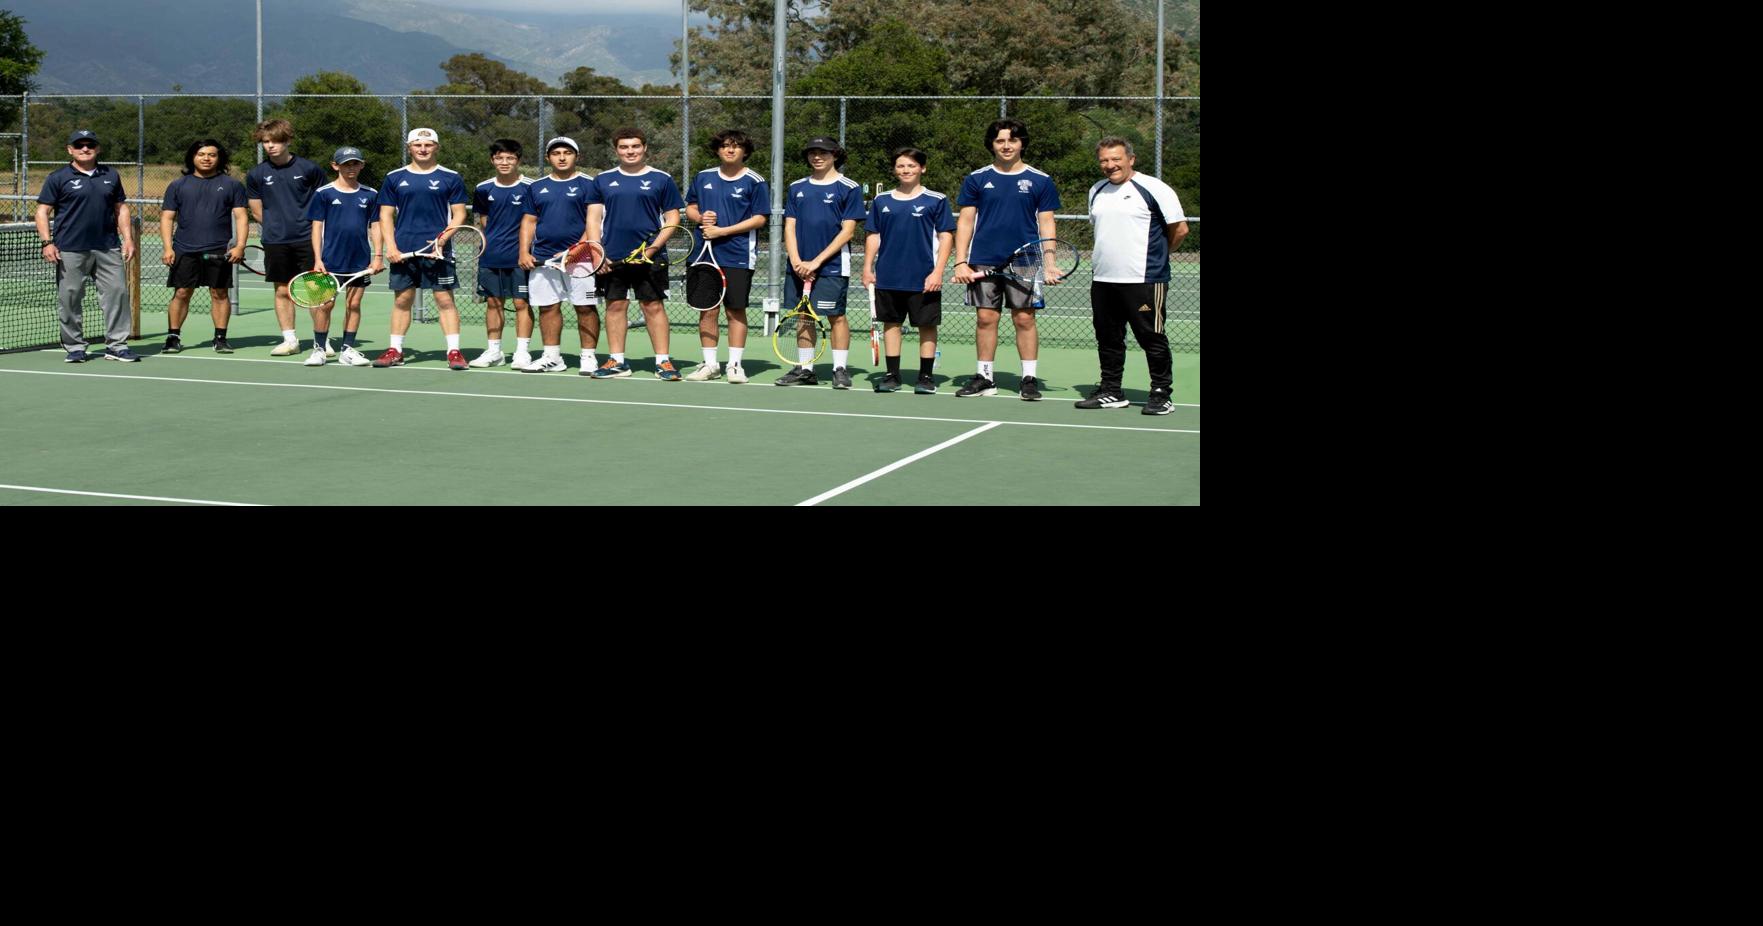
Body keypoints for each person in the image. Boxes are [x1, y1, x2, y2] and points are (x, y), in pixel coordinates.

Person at [951, 118, 1062, 400]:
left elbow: (1047, 223)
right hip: (984, 259)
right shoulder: (976, 178)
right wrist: (960, 261)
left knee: (1024, 318)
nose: (1006, 145)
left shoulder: (1041, 180)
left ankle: (1029, 378)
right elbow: (965, 222)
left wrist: (1049, 262)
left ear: (1022, 143)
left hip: (1025, 260)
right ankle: (985, 377)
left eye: (1012, 140)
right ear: (992, 144)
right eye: (1000, 141)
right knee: (986, 318)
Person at [1082, 137, 1189, 415]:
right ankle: (1111, 390)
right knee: (1108, 337)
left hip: (1145, 279)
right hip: (1104, 279)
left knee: (1151, 336)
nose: (1110, 165)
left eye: (1116, 159)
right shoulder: (1097, 190)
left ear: (1131, 159)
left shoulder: (1154, 188)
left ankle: (1161, 393)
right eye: (1104, 160)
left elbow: (1179, 230)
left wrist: (1157, 258)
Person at [584, 127, 685, 380]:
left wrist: (652, 249)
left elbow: (672, 218)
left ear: (645, 148)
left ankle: (663, 362)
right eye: (624, 147)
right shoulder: (602, 180)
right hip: (611, 257)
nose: (630, 151)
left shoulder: (662, 179)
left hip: (651, 257)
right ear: (616, 150)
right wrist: (597, 252)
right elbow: (593, 219)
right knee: (615, 306)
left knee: (653, 306)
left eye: (635, 146)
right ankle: (617, 362)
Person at [371, 128, 471, 370]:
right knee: (403, 300)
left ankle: (454, 352)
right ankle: (395, 350)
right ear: (409, 148)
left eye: (428, 145)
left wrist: (443, 239)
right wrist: (391, 247)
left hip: (440, 252)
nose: (423, 149)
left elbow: (459, 213)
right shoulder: (394, 178)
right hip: (403, 250)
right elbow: (385, 215)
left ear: (436, 147)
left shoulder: (451, 177)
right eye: (418, 145)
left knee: (445, 300)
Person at [35, 130, 138, 363]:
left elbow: (121, 208)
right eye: (79, 145)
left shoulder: (111, 175)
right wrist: (47, 242)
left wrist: (128, 239)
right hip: (69, 248)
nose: (84, 149)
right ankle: (74, 347)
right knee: (69, 297)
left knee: (117, 294)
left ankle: (117, 346)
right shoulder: (58, 177)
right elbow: (42, 211)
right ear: (70, 150)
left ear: (97, 149)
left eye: (89, 145)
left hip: (108, 246)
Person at [862, 147, 955, 395]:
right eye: (901, 166)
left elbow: (946, 238)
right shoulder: (881, 201)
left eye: (911, 165)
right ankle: (893, 375)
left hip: (924, 277)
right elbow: (873, 236)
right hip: (888, 276)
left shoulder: (936, 199)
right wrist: (867, 268)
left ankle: (925, 376)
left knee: (926, 326)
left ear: (922, 168)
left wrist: (937, 272)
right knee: (891, 324)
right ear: (894, 170)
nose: (906, 170)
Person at [776, 136, 866, 389]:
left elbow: (847, 231)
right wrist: (796, 260)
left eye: (823, 152)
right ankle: (805, 370)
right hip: (798, 265)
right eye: (812, 152)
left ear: (835, 155)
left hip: (832, 266)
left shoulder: (849, 187)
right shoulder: (796, 187)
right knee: (804, 315)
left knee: (836, 316)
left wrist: (815, 262)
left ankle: (839, 369)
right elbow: (790, 226)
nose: (817, 157)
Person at [681, 129, 770, 384]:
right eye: (725, 146)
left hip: (738, 256)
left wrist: (723, 231)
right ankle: (710, 365)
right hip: (703, 255)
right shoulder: (703, 177)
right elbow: (691, 207)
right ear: (718, 150)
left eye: (736, 146)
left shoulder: (755, 181)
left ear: (745, 152)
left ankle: (734, 365)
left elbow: (760, 218)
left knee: (735, 311)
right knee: (707, 311)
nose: (730, 150)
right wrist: (700, 218)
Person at [245, 119, 330, 357]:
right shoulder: (256, 174)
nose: (270, 146)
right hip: (275, 241)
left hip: (308, 240)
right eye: (266, 142)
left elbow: (323, 204)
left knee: (316, 291)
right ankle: (290, 340)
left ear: (288, 141)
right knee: (282, 290)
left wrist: (312, 230)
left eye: (276, 141)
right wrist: (275, 227)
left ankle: (321, 341)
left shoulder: (309, 169)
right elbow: (257, 211)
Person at [516, 137, 597, 374]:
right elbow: (529, 222)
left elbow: (594, 221)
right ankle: (552, 357)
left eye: (567, 152)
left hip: (581, 261)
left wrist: (577, 250)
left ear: (577, 156)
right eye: (556, 153)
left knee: (585, 307)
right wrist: (524, 251)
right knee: (547, 308)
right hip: (543, 258)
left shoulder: (589, 184)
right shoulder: (536, 187)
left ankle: (588, 357)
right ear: (548, 158)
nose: (562, 157)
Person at [159, 139, 247, 355]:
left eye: (212, 155)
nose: (206, 158)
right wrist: (168, 248)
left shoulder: (232, 185)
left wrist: (240, 246)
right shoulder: (178, 185)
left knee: (219, 293)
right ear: (192, 157)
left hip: (218, 250)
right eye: (201, 154)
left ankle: (220, 338)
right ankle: (173, 337)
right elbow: (167, 218)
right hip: (184, 249)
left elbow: (241, 217)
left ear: (219, 158)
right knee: (181, 292)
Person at [300, 146, 382, 367]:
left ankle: (347, 350)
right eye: (346, 164)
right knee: (324, 305)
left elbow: (375, 226)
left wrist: (378, 256)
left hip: (360, 262)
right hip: (328, 261)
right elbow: (316, 228)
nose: (351, 167)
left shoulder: (371, 194)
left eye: (355, 163)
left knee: (354, 305)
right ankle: (319, 350)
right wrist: (317, 259)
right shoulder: (323, 193)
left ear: (362, 165)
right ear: (335, 166)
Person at [469, 139, 535, 369]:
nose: (504, 162)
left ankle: (522, 352)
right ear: (492, 160)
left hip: (522, 257)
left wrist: (525, 250)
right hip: (491, 255)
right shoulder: (483, 188)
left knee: (521, 303)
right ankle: (494, 351)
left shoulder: (531, 187)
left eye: (510, 158)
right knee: (494, 303)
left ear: (518, 160)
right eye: (499, 158)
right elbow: (483, 222)